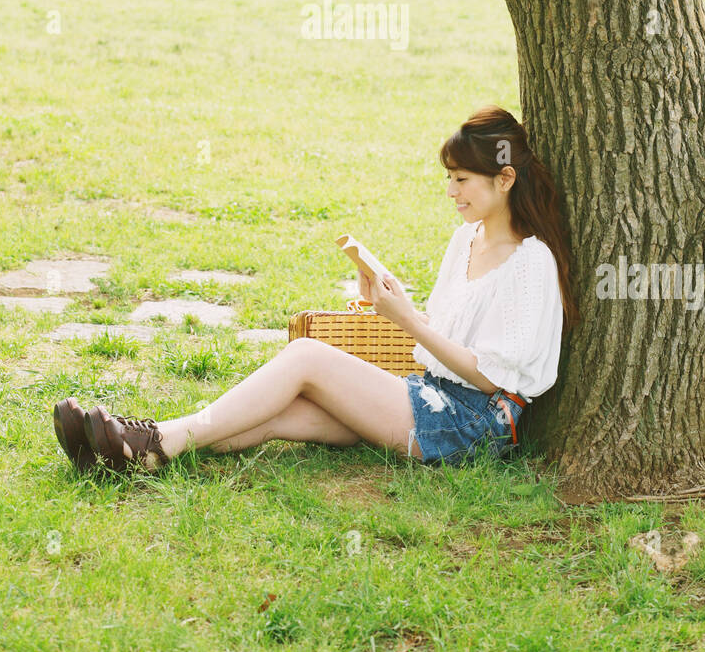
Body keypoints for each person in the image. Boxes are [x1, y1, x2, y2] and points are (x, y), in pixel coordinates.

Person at [53, 105, 579, 474]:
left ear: (504, 180)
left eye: (463, 180)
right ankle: (130, 451)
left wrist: (408, 323)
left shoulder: (530, 262)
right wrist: (387, 307)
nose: (451, 191)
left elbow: (492, 378)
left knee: (306, 357)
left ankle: (147, 441)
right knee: (278, 412)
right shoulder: (467, 239)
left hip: (474, 426)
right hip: (433, 395)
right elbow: (444, 339)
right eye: (450, 178)